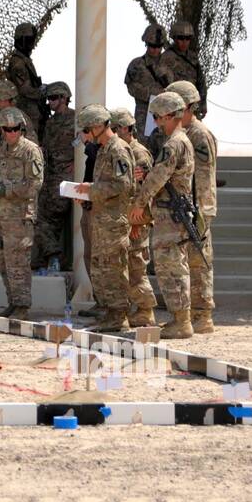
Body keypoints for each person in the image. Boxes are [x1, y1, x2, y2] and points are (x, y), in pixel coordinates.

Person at [128, 92, 197, 339]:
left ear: (169, 115)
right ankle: (181, 318)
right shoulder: (180, 141)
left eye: (158, 117)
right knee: (173, 265)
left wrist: (139, 202)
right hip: (170, 212)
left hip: (169, 214)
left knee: (171, 267)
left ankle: (181, 321)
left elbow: (160, 178)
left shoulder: (173, 144)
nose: (157, 122)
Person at [69, 105, 134, 332]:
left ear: (98, 126)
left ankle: (118, 315)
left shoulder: (118, 150)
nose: (85, 135)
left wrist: (92, 190)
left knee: (112, 269)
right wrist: (87, 194)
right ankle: (109, 312)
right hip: (100, 219)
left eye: (87, 130)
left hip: (113, 223)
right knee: (100, 269)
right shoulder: (104, 149)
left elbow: (124, 184)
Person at [166, 79, 219, 333]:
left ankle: (203, 314)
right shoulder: (182, 134)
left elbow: (203, 175)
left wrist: (198, 208)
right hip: (186, 205)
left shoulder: (199, 135)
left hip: (197, 205)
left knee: (199, 260)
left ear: (187, 106)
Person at [0, 107, 44, 320]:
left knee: (18, 261)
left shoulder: (30, 151)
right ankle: (12, 301)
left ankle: (22, 305)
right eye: (7, 129)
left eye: (15, 129)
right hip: (2, 215)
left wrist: (8, 190)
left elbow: (34, 185)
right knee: (4, 261)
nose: (11, 133)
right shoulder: (3, 150)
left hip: (20, 217)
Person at [112, 108, 158, 326]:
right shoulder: (123, 151)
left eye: (114, 128)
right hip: (126, 218)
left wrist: (137, 221)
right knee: (128, 266)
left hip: (136, 220)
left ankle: (145, 310)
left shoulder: (138, 153)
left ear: (124, 128)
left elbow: (144, 190)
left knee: (136, 266)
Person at [33, 81, 74, 270]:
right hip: (49, 177)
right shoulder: (50, 123)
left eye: (53, 98)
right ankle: (49, 259)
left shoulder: (76, 119)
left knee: (46, 219)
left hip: (64, 179)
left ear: (64, 98)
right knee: (40, 218)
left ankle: (53, 257)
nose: (50, 102)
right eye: (48, 98)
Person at [124, 25, 172, 136]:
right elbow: (130, 87)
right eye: (152, 46)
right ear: (146, 44)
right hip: (144, 113)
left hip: (167, 112)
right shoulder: (136, 64)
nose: (156, 49)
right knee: (145, 145)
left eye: (159, 46)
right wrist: (149, 93)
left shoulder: (170, 64)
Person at [5, 22, 46, 141]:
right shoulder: (18, 63)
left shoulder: (25, 60)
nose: (32, 45)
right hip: (25, 111)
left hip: (31, 111)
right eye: (29, 41)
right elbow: (25, 90)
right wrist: (42, 92)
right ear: (21, 40)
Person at [158, 19, 207, 118]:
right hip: (174, 108)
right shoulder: (166, 58)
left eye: (187, 38)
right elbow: (163, 86)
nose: (184, 42)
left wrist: (203, 103)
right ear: (174, 38)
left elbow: (201, 81)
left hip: (192, 107)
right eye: (181, 38)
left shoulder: (193, 58)